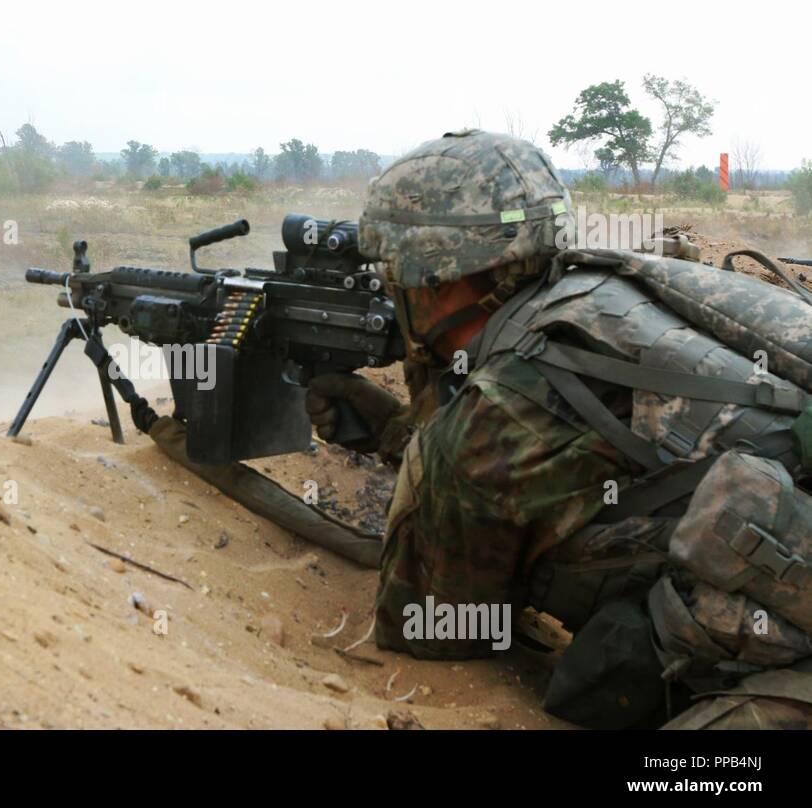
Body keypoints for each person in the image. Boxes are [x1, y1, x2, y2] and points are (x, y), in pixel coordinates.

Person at [305, 129, 812, 729]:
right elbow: (568, 454)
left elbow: (434, 627)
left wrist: (425, 465)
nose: (391, 293)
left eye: (393, 276)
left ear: (436, 280)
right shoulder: (605, 288)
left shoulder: (500, 408)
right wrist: (401, 434)